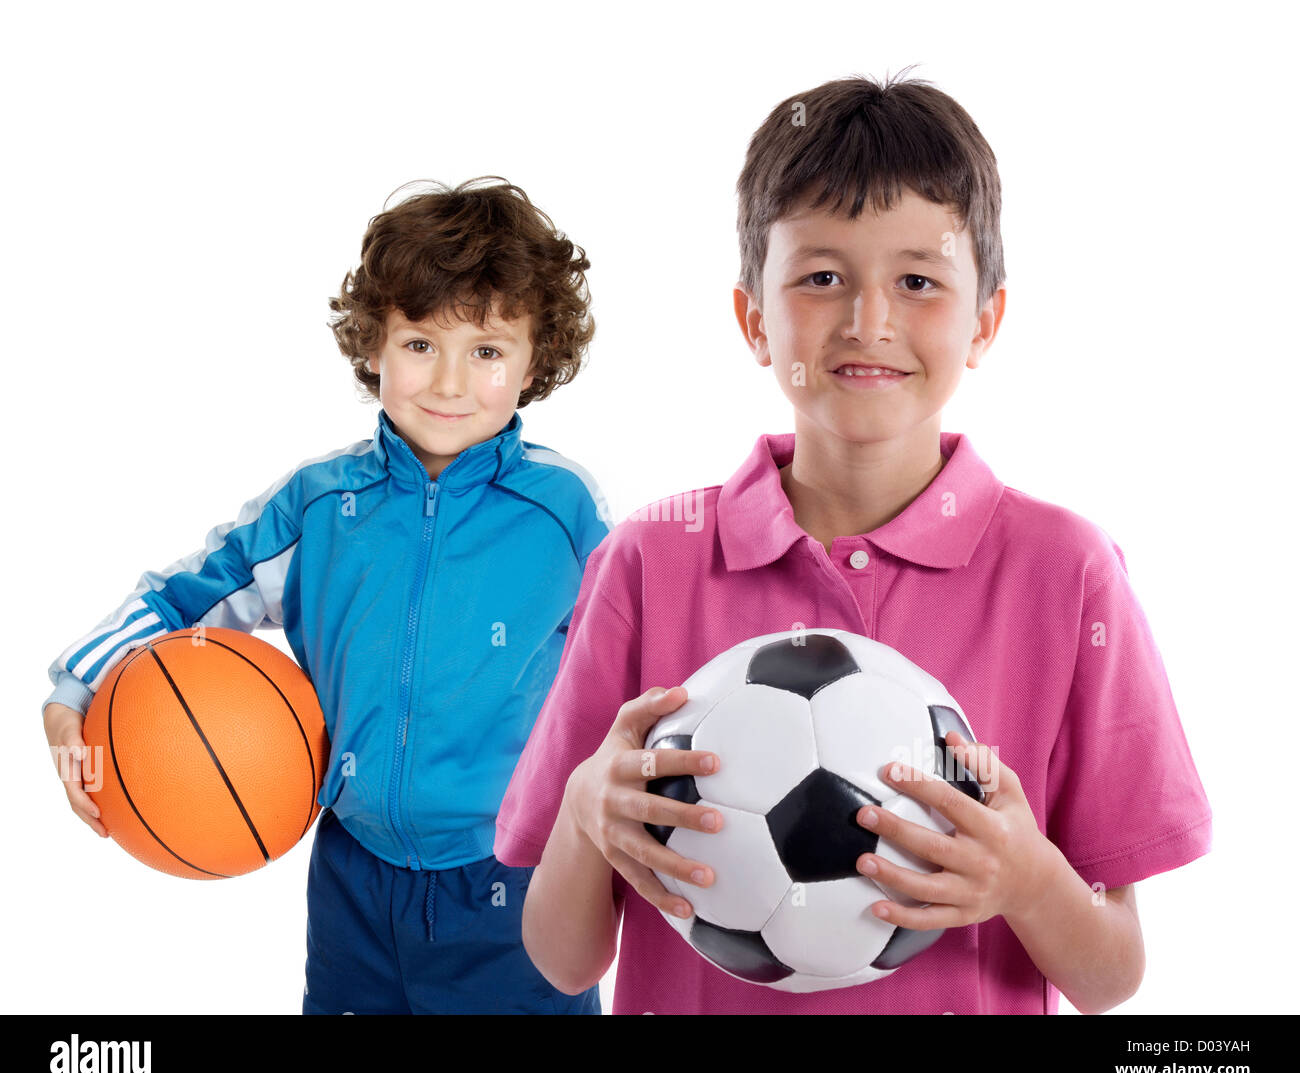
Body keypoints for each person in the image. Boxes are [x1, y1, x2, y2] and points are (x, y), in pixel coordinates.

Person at [494, 71, 1213, 1015]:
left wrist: (1027, 881)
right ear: (755, 317)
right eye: (822, 276)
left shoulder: (1066, 571)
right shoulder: (649, 559)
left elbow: (1112, 975)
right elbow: (563, 959)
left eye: (918, 281)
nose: (869, 321)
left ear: (984, 320)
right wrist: (590, 810)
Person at [42, 177, 610, 1015]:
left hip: (516, 881)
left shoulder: (564, 512)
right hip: (353, 884)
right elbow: (178, 600)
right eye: (420, 343)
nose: (449, 381)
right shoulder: (318, 506)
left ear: (535, 363)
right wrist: (74, 689)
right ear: (374, 344)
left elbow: (636, 655)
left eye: (487, 351)